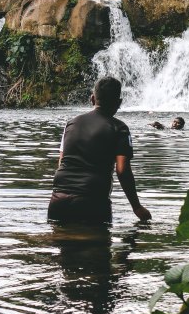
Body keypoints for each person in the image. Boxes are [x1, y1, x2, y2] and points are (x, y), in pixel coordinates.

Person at [48, 76, 151, 225]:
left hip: (58, 200)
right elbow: (122, 170)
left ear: (92, 99)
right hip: (93, 202)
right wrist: (137, 207)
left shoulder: (70, 124)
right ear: (119, 103)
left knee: (63, 239)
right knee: (97, 240)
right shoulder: (119, 128)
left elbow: (62, 162)